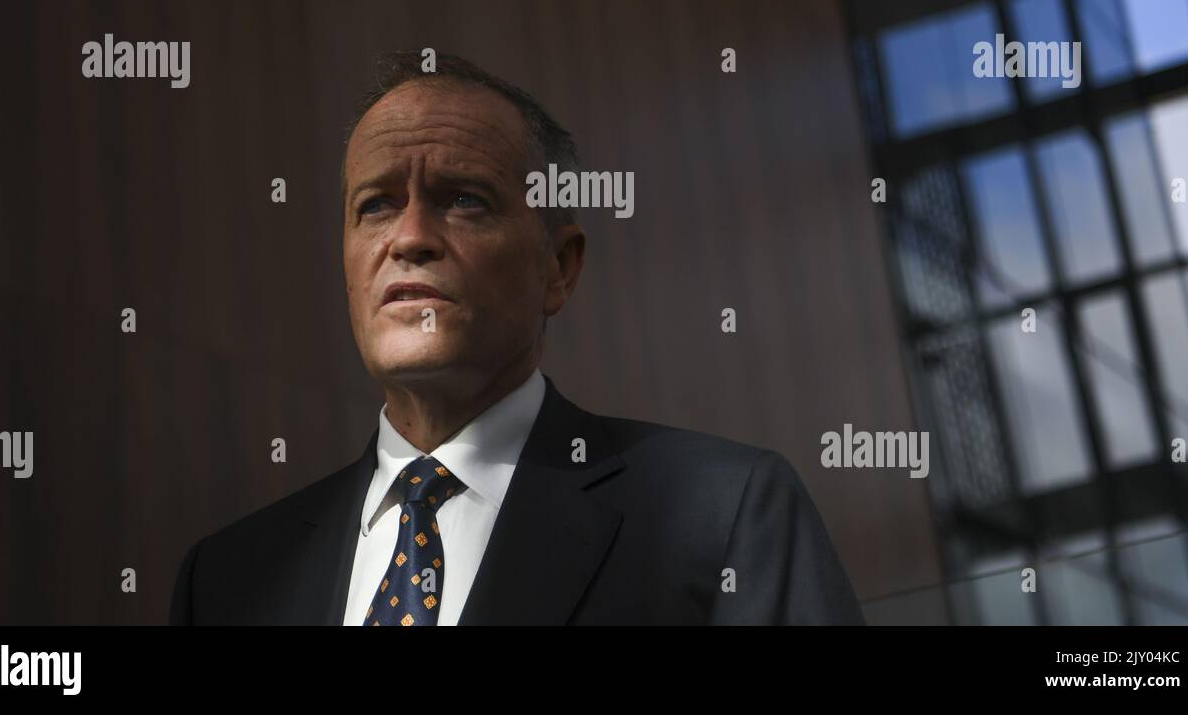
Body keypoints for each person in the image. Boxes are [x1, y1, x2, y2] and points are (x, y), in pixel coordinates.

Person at [169, 50, 864, 625]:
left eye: (464, 199)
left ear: (557, 268)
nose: (408, 238)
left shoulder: (725, 513)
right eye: (376, 205)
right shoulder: (225, 583)